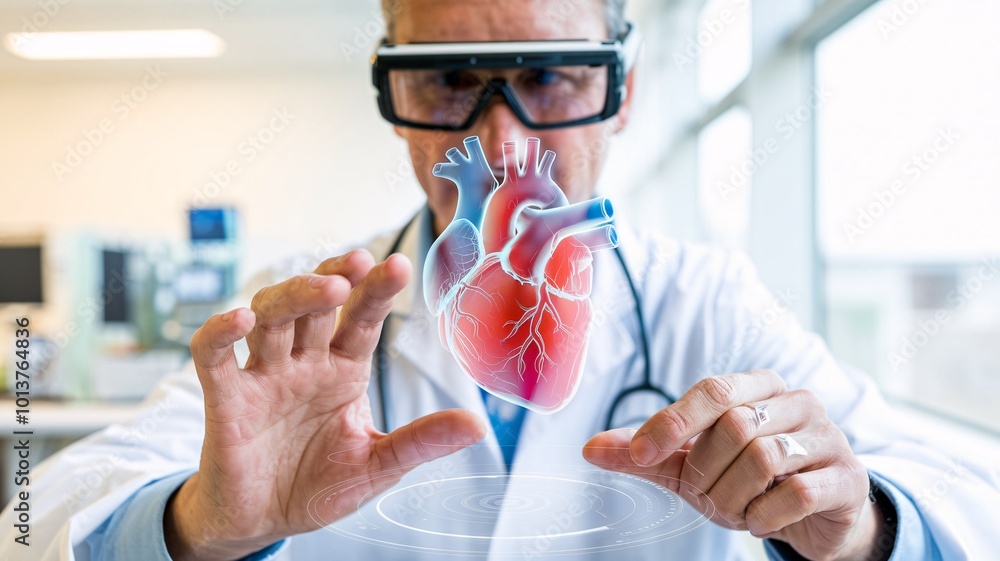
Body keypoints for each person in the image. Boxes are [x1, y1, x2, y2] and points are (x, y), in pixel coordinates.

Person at [3, 1, 998, 559]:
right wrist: (197, 522)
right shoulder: (301, 312)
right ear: (394, 95)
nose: (503, 144)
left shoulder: (709, 305)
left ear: (621, 95)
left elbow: (971, 505)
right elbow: (30, 516)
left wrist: (860, 522)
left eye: (548, 78)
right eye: (449, 82)